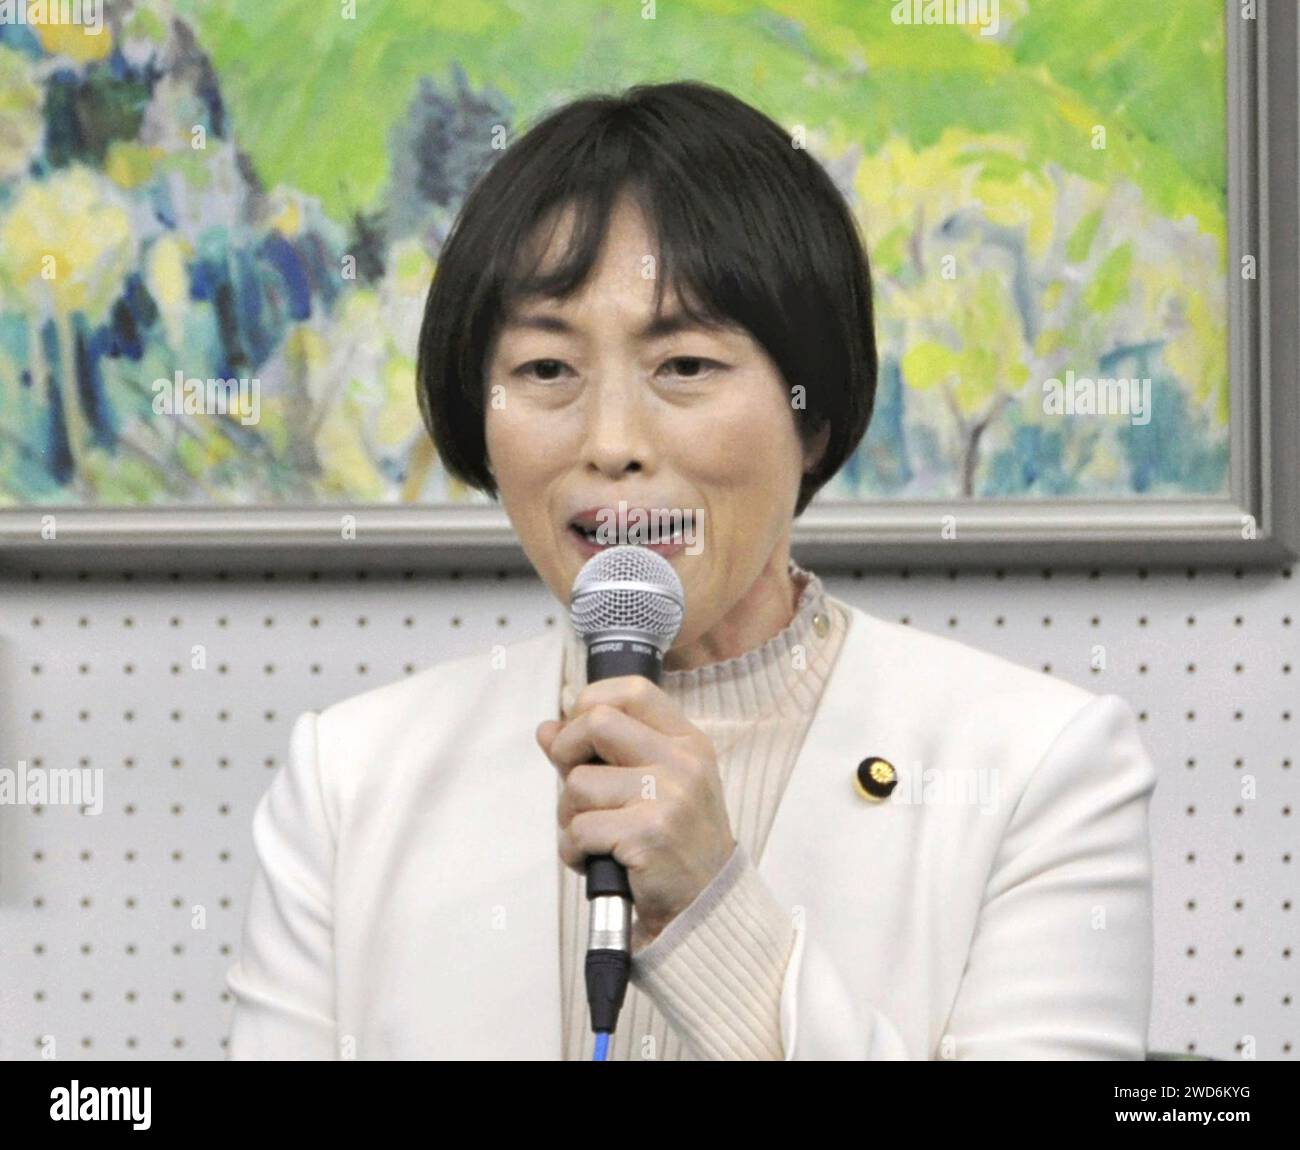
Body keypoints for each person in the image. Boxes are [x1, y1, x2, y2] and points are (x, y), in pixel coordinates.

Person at [225, 80, 1157, 1060]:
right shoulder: (351, 778)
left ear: (812, 413)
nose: (613, 442)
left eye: (684, 366)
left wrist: (712, 907)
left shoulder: (1039, 768)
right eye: (547, 370)